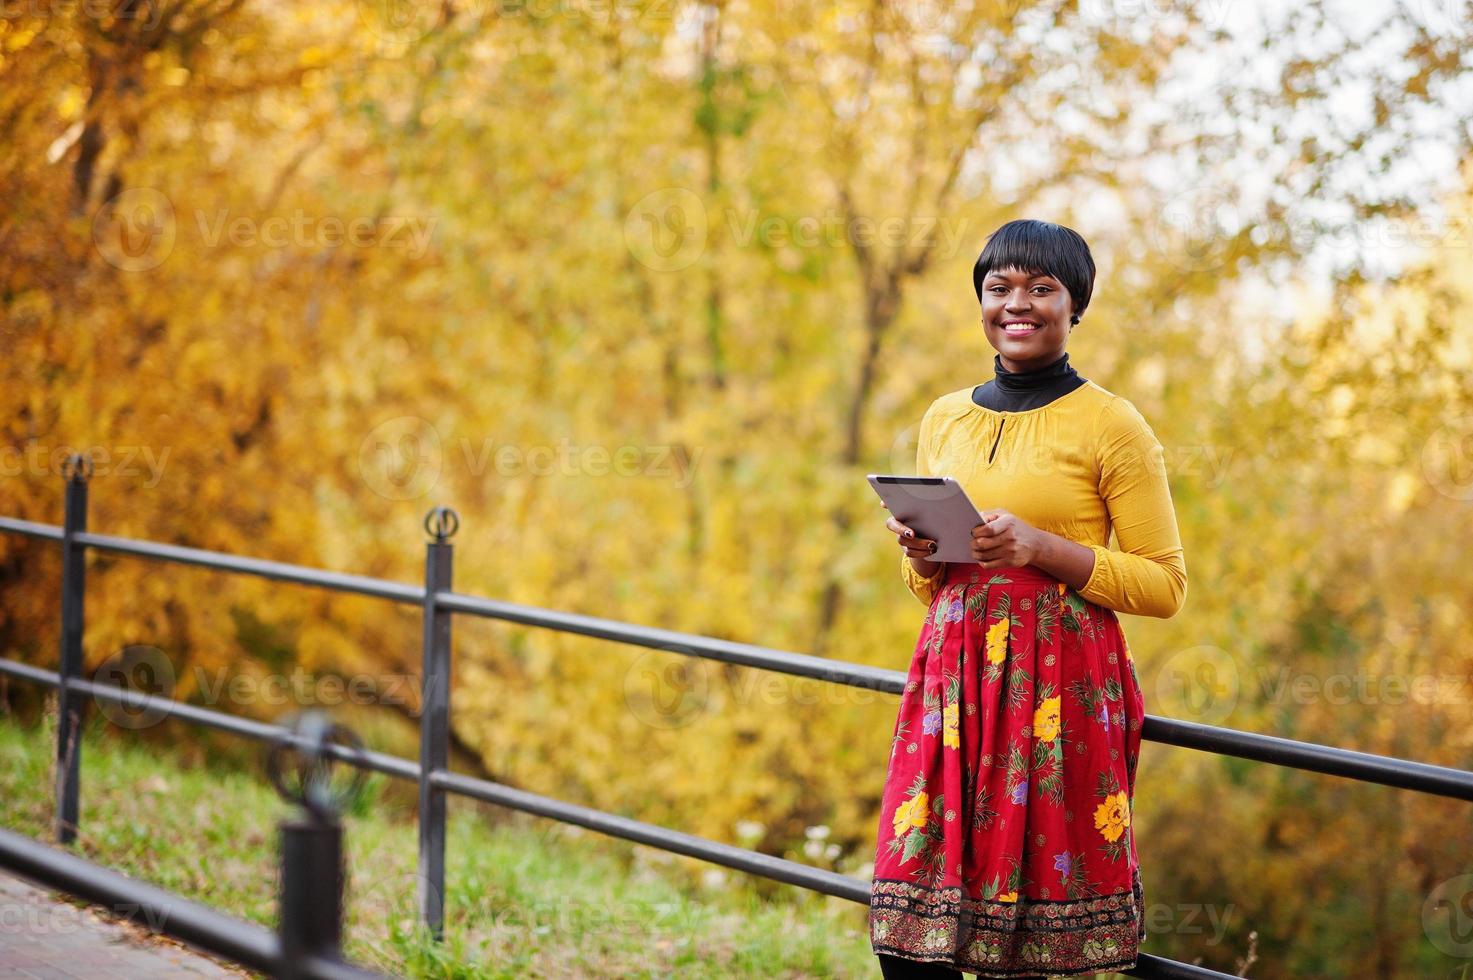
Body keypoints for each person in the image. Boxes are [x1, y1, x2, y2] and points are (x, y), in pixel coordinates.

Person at [869, 219, 1188, 979]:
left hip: (1057, 689)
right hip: (952, 684)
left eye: (1041, 289)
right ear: (979, 300)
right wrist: (920, 555)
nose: (1018, 304)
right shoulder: (944, 416)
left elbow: (1164, 584)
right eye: (999, 288)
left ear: (1074, 305)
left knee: (1029, 942)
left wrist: (1041, 548)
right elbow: (932, 588)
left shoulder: (1113, 423)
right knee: (908, 934)